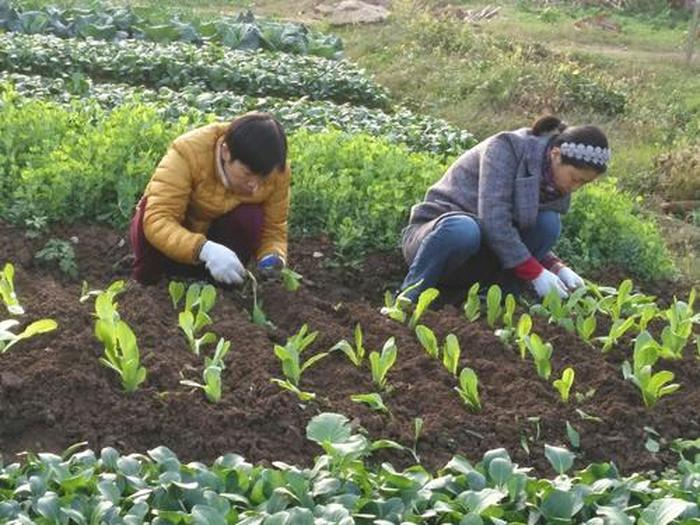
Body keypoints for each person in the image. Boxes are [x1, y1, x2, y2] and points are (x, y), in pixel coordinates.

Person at [399, 115, 610, 301]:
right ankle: (410, 296)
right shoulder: (505, 148)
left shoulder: (552, 185)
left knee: (548, 224)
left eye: (583, 183)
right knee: (463, 229)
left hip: (477, 255)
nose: (575, 187)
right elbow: (494, 220)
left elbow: (517, 227)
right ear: (555, 154)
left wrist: (555, 265)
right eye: (575, 178)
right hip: (436, 239)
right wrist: (534, 272)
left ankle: (495, 298)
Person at [129, 112, 290, 286]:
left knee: (250, 216)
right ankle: (150, 283)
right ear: (226, 152)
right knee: (149, 211)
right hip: (178, 237)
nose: (255, 185)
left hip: (219, 240)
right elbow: (158, 220)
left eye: (263, 178)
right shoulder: (187, 152)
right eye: (248, 174)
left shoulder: (276, 170)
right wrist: (204, 249)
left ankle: (221, 284)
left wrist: (272, 256)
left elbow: (273, 228)